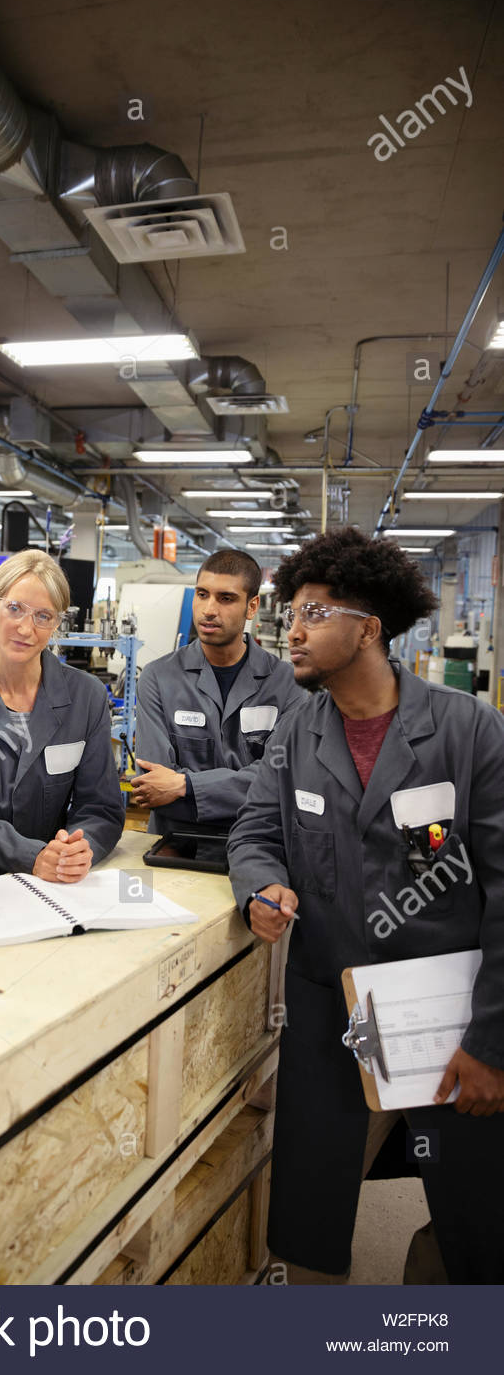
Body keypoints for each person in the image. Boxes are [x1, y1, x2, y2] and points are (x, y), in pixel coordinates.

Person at [227, 527, 504, 1284]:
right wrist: (260, 885)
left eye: (313, 613)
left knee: (473, 1204)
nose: (294, 629)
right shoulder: (296, 731)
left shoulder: (467, 730)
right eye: (291, 613)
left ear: (368, 629)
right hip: (332, 1003)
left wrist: (492, 1041)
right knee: (311, 1203)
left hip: (444, 1009)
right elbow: (255, 831)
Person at [0, 549, 125, 883]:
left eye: (43, 616)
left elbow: (100, 806)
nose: (26, 628)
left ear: (56, 624)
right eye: (15, 609)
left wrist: (78, 849)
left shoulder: (87, 698)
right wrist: (32, 856)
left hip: (50, 882)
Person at [132, 548, 305, 831]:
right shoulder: (158, 678)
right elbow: (150, 786)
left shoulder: (288, 684)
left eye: (226, 598)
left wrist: (184, 785)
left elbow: (281, 783)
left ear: (252, 606)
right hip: (173, 845)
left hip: (259, 847)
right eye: (202, 594)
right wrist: (243, 789)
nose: (209, 610)